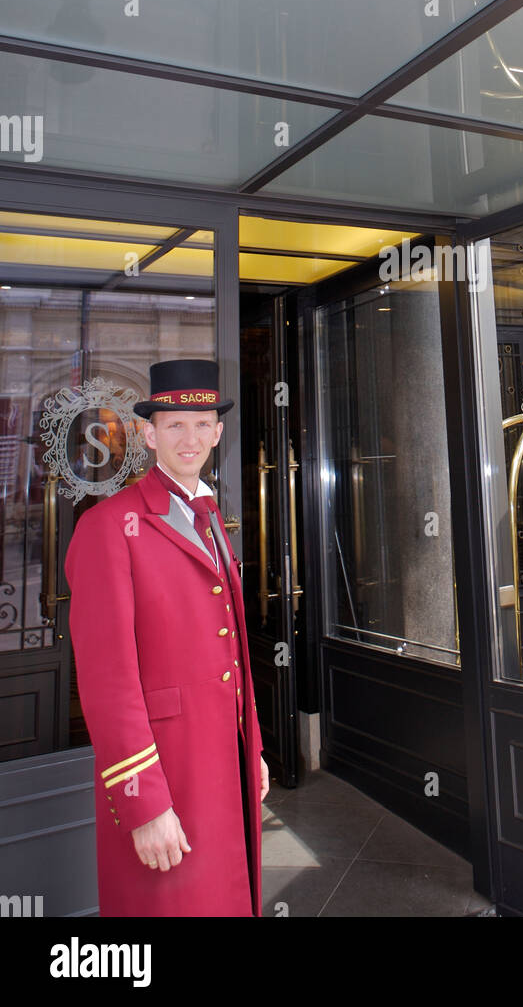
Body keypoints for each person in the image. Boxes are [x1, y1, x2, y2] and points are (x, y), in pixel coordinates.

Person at [65, 359, 268, 917]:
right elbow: (108, 683)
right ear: (149, 434)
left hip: (221, 766)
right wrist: (144, 804)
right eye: (174, 425)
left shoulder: (210, 518)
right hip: (167, 777)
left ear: (219, 433)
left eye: (203, 424)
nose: (191, 437)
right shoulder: (108, 526)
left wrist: (250, 747)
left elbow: (231, 658)